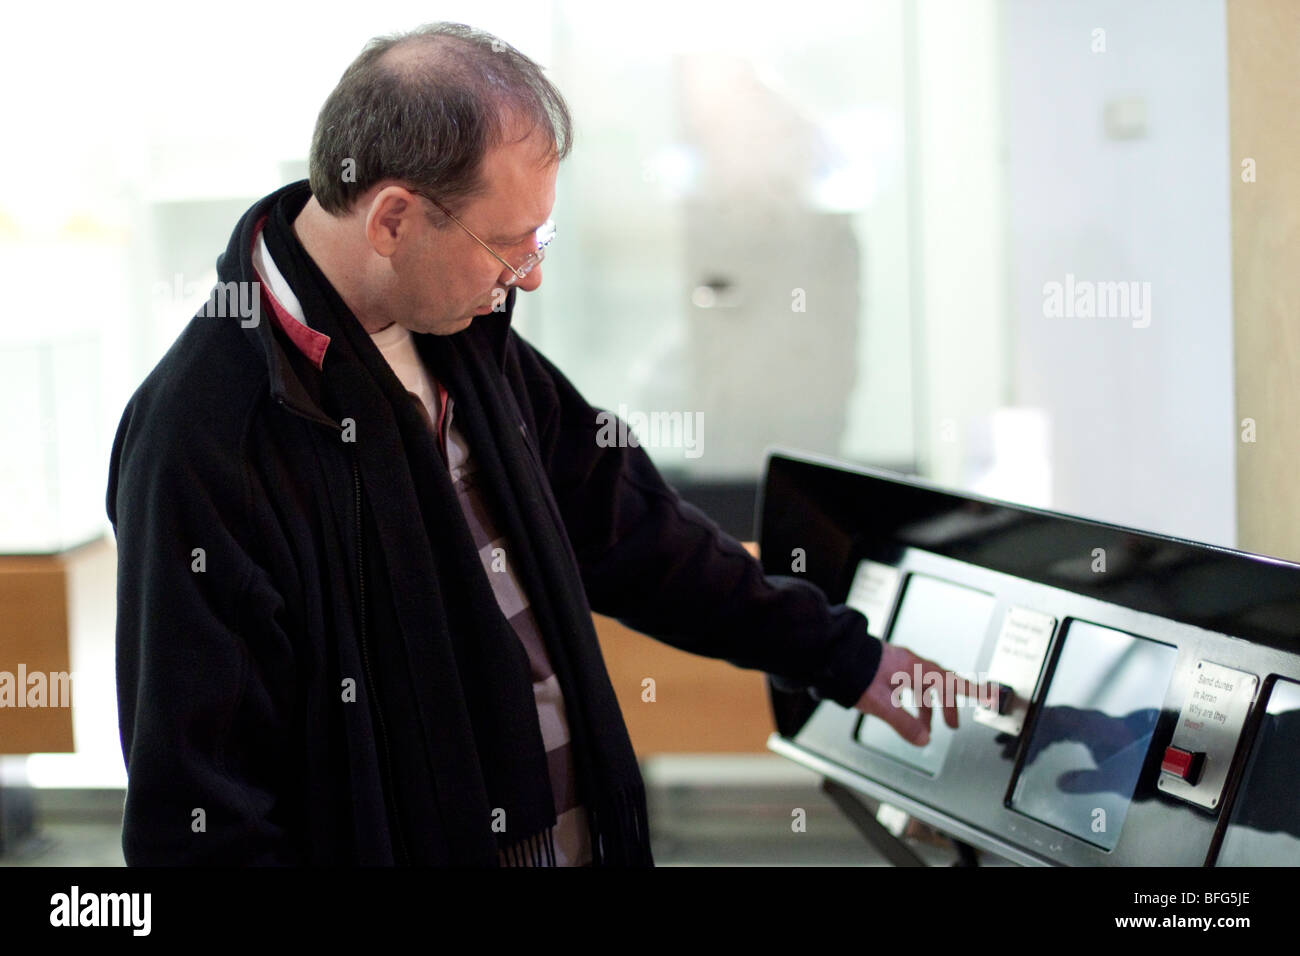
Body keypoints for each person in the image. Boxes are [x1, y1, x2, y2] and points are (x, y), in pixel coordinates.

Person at [106, 21, 976, 867]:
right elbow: (201, 819)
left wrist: (847, 658)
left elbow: (640, 533)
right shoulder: (203, 437)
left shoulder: (471, 341)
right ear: (392, 220)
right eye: (509, 243)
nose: (532, 273)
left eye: (541, 237)